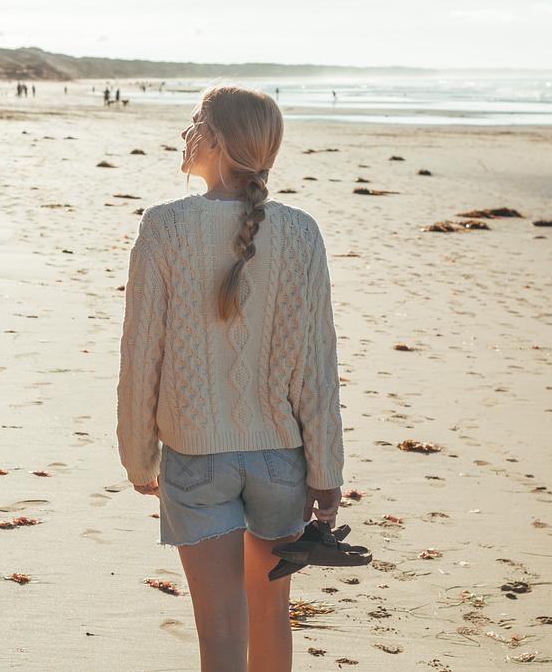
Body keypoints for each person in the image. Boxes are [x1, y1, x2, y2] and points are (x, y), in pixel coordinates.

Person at [117, 84, 344, 672]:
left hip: (196, 458)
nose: (185, 134)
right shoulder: (300, 233)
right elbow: (317, 365)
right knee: (270, 615)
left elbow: (142, 356)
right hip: (280, 461)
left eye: (195, 122)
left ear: (215, 140)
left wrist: (139, 458)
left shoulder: (165, 227)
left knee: (219, 627)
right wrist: (325, 470)